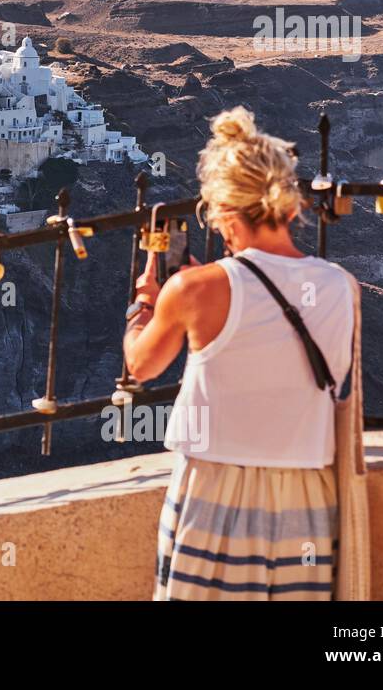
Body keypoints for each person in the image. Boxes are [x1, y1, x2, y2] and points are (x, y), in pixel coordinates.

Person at [123, 106, 358, 600]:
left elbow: (140, 366)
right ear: (291, 207)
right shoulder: (341, 286)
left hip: (214, 494)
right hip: (307, 497)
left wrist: (146, 301)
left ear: (222, 213)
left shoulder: (193, 289)